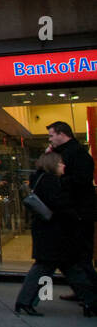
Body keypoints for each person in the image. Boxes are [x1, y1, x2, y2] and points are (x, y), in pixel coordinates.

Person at [14, 151, 97, 316]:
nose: (63, 166)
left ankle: (91, 302)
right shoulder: (51, 182)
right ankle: (91, 302)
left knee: (66, 269)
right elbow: (61, 206)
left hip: (49, 234)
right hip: (55, 235)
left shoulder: (39, 179)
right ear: (53, 165)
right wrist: (77, 216)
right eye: (60, 163)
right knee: (66, 269)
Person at [46, 121, 97, 300]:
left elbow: (81, 181)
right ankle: (84, 290)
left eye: (52, 135)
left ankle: (90, 292)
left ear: (62, 134)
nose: (50, 139)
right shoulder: (66, 153)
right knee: (76, 256)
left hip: (79, 213)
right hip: (73, 213)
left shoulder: (77, 155)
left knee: (80, 255)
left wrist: (60, 179)